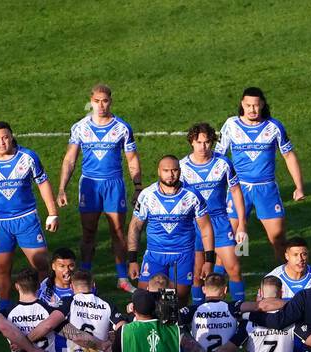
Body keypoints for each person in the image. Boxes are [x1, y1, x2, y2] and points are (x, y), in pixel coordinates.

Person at [0, 122, 59, 310]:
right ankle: (5, 308)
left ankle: (43, 303)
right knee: (1, 269)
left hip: (27, 219)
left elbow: (43, 183)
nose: (1, 142)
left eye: (5, 137)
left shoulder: (28, 157)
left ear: (11, 136)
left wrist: (52, 213)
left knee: (41, 263)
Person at [57, 84, 142, 293]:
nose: (101, 105)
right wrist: (61, 188)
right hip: (90, 185)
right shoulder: (80, 127)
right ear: (91, 101)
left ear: (110, 101)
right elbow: (70, 159)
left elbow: (132, 159)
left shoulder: (122, 128)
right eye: (97, 101)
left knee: (118, 231)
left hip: (114, 184)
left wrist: (138, 186)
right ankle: (85, 276)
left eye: (105, 100)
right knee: (88, 232)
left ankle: (122, 278)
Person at [216, 87, 305, 263]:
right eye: (248, 105)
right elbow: (219, 157)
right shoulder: (231, 125)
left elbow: (288, 155)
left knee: (278, 239)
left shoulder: (274, 126)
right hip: (238, 190)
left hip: (266, 189)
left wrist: (299, 186)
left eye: (255, 106)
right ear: (242, 104)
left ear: (262, 105)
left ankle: (284, 280)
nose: (252, 109)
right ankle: (229, 279)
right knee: (230, 240)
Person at [127, 155, 214, 298]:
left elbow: (206, 228)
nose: (170, 175)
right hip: (154, 255)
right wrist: (132, 260)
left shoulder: (192, 195)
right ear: (159, 171)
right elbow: (135, 227)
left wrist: (209, 260)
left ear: (180, 171)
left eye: (174, 170)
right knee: (144, 298)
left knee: (179, 303)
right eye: (166, 170)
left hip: (183, 255)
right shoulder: (147, 195)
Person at [180, 122, 248, 302]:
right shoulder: (182, 167)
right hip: (195, 225)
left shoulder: (223, 163)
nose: (203, 146)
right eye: (199, 142)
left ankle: (239, 312)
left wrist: (241, 224)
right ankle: (198, 314)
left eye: (207, 142)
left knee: (234, 268)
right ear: (191, 142)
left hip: (219, 221)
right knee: (197, 274)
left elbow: (236, 192)